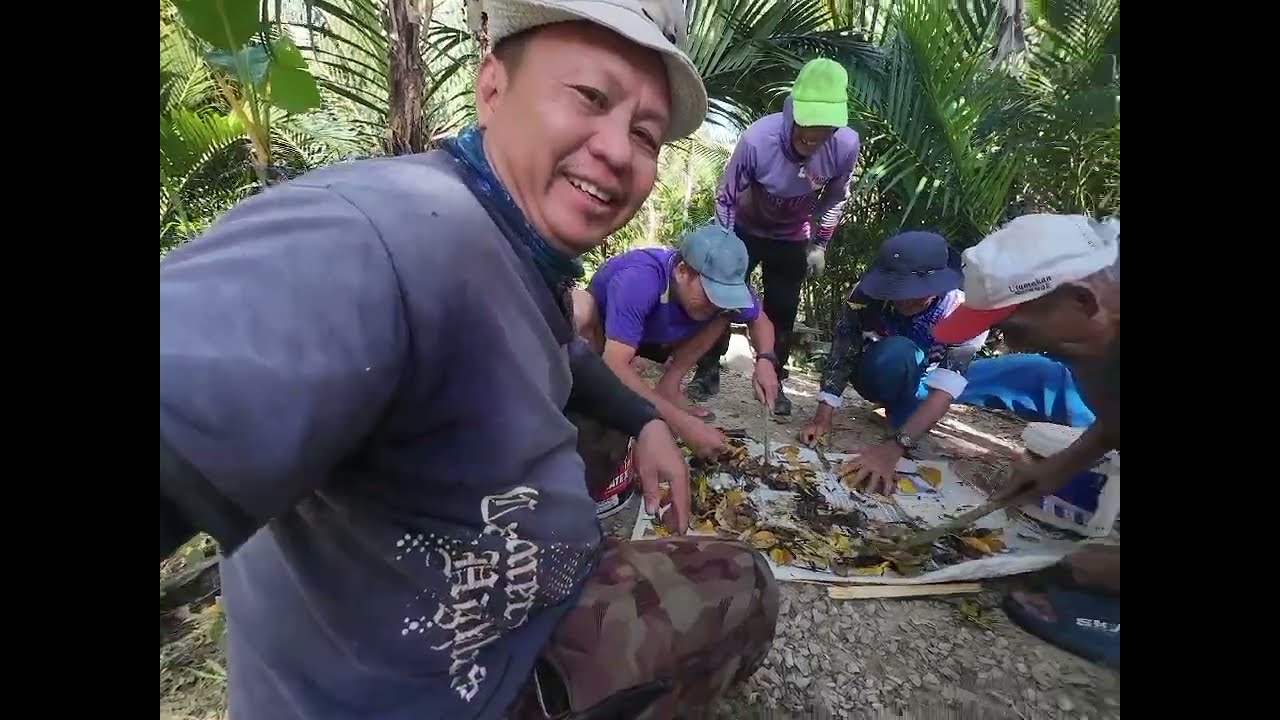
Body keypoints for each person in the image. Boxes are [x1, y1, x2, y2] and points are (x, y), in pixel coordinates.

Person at [159, 2, 779, 719]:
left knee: (598, 424)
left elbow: (562, 355)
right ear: (492, 86)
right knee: (744, 582)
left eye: (645, 133)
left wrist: (646, 420)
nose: (616, 149)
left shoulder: (505, 238)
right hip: (448, 687)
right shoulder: (380, 236)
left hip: (425, 615)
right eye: (589, 96)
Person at [931, 212, 1120, 669]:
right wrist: (1056, 469)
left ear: (1080, 301)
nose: (1011, 347)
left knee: (1084, 585)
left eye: (1014, 329)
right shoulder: (1090, 336)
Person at [795, 230, 1097, 494]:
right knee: (900, 356)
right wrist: (822, 418)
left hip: (933, 377)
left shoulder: (962, 305)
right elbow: (842, 352)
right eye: (898, 292)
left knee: (1039, 372)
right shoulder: (864, 296)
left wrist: (895, 447)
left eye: (917, 294)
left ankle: (1093, 436)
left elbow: (948, 383)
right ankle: (901, 406)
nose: (905, 301)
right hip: (886, 369)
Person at [686, 57, 861, 416]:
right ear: (792, 109)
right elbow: (727, 194)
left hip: (792, 233)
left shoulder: (845, 146)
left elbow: (835, 196)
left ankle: (774, 379)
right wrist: (724, 242)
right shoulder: (757, 140)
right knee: (723, 299)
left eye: (823, 127)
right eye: (805, 122)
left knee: (781, 308)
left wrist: (820, 242)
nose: (812, 135)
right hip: (744, 229)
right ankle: (706, 371)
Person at [573, 223, 781, 457]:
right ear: (682, 271)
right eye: (711, 293)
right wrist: (683, 424)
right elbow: (614, 364)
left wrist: (765, 360)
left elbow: (760, 319)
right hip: (607, 337)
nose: (718, 301)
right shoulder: (640, 278)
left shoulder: (721, 292)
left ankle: (669, 387)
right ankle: (587, 392)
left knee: (724, 314)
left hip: (657, 338)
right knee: (581, 307)